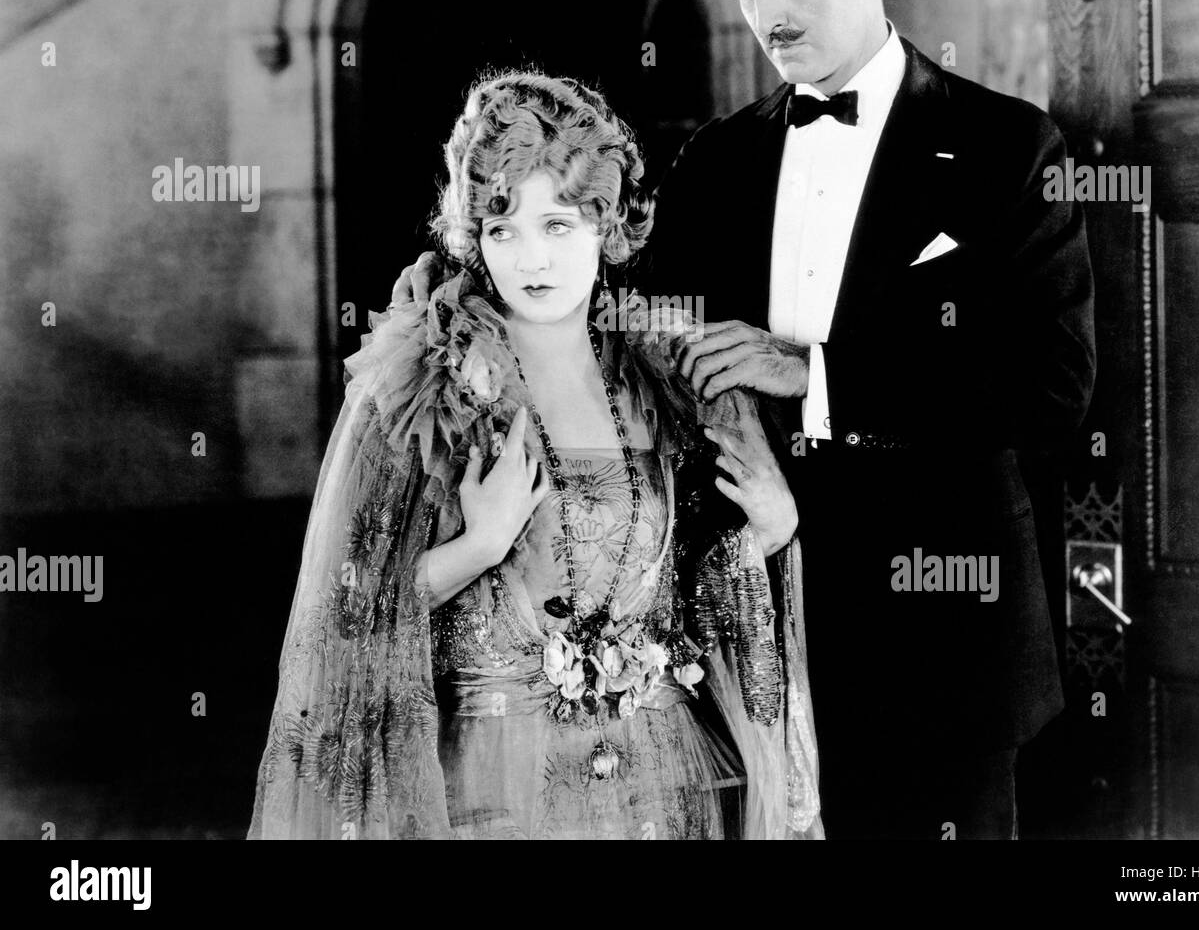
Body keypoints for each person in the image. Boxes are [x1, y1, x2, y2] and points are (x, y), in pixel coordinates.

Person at [399, 0, 1096, 840]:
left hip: (940, 632)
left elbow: (1053, 392)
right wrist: (465, 299)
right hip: (734, 631)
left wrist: (818, 375)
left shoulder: (1007, 147)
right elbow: (624, 331)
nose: (765, 13)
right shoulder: (719, 158)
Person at [248, 70, 822, 840]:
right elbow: (341, 619)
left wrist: (771, 531)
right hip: (493, 791)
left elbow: (697, 598)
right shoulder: (429, 375)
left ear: (606, 223)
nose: (530, 259)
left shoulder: (665, 371)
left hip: (657, 784)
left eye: (558, 225)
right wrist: (476, 546)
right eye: (502, 228)